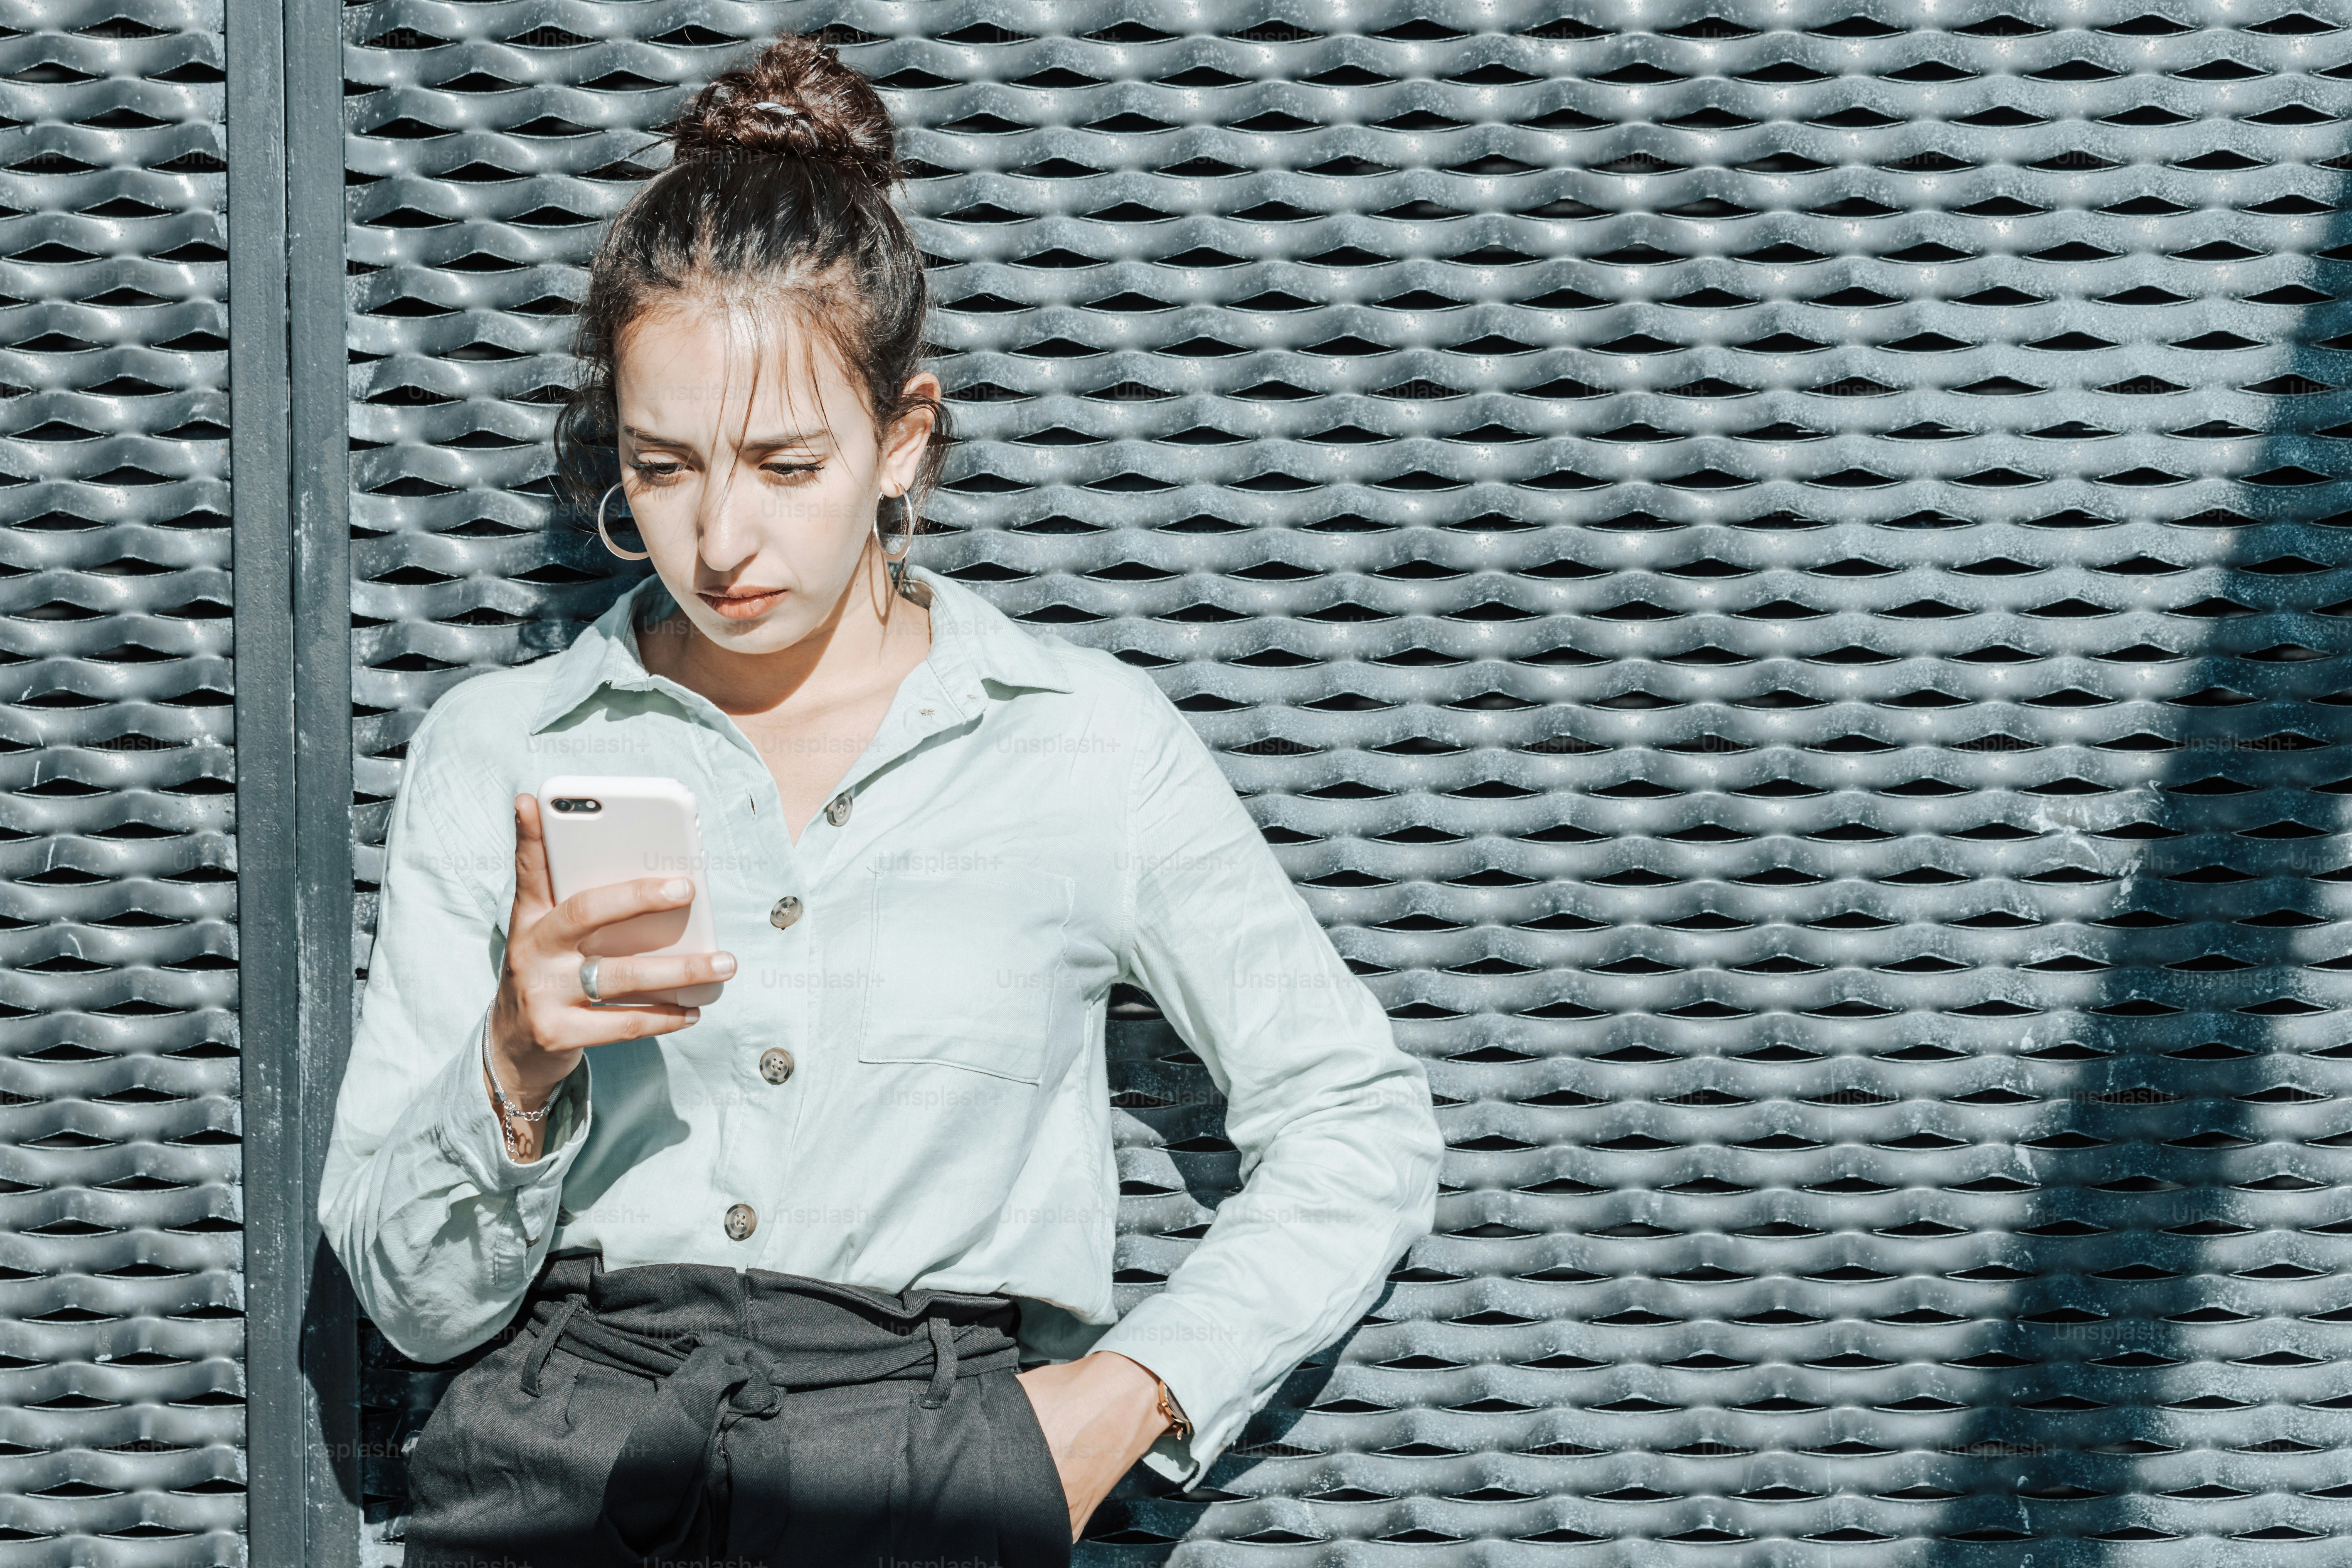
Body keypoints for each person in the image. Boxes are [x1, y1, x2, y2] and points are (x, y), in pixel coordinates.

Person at [318, 31, 1443, 1568]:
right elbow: (407, 1297)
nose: (721, 540)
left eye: (786, 464)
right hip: (559, 1475)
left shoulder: (1083, 742)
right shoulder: (500, 745)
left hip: (934, 1474)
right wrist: (513, 1070)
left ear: (901, 438)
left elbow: (1354, 1116)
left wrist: (1121, 1402)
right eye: (662, 468)